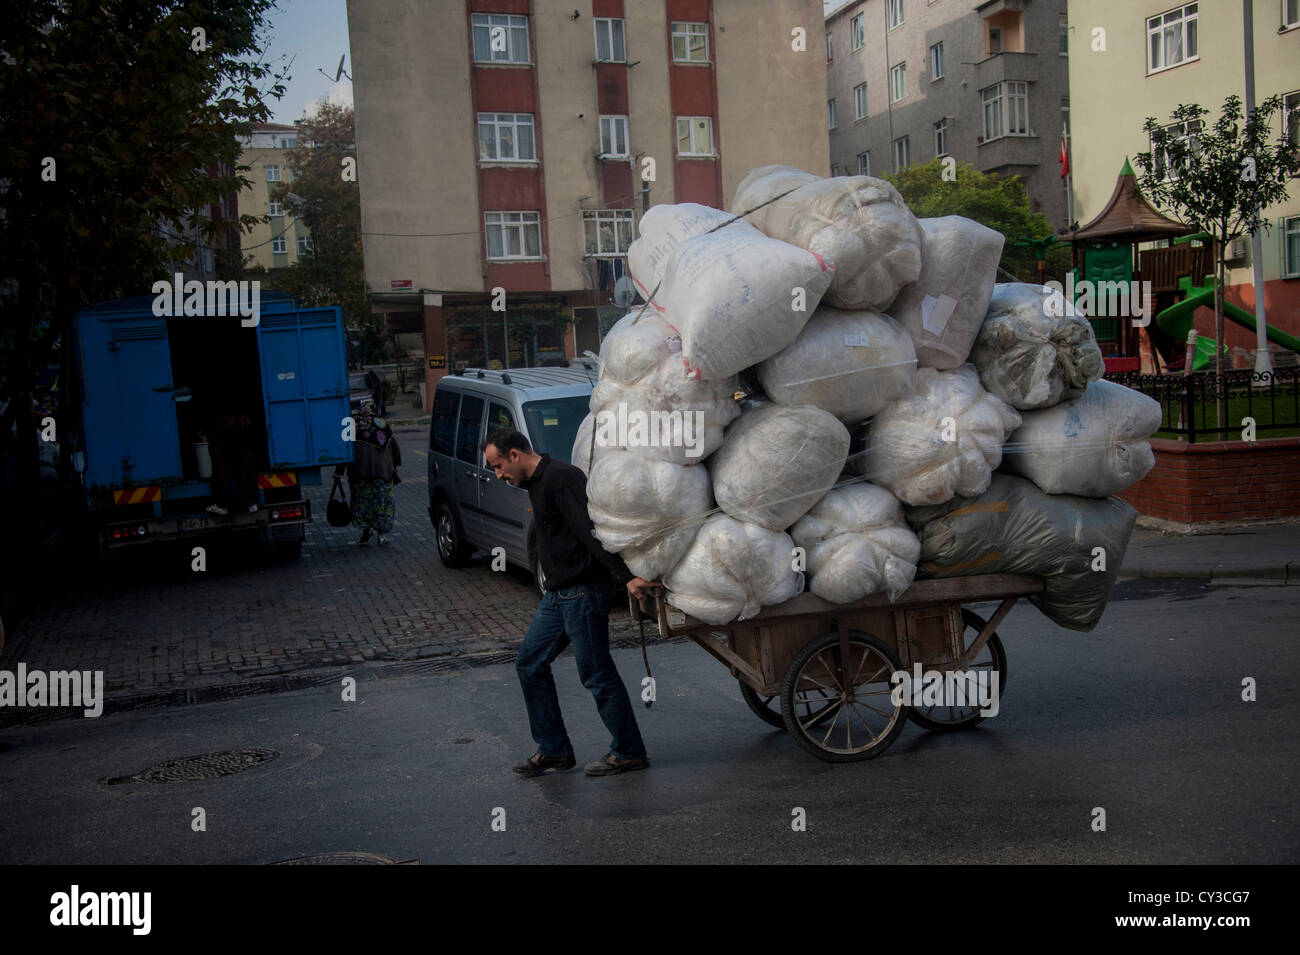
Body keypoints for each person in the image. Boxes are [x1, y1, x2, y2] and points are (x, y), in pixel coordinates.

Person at [483, 428, 657, 778]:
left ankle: (629, 751)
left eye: (499, 466)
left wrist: (626, 578)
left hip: (583, 592)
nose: (499, 475)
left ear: (515, 454)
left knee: (596, 672)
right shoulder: (535, 483)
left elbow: (591, 533)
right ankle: (554, 750)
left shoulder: (561, 478)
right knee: (529, 663)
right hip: (557, 596)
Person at [336, 399, 400, 545]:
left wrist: (339, 471)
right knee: (382, 504)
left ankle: (366, 530)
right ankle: (381, 535)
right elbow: (395, 447)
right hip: (382, 473)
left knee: (363, 504)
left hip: (359, 474)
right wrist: (395, 465)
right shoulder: (382, 425)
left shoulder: (353, 425)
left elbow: (344, 450)